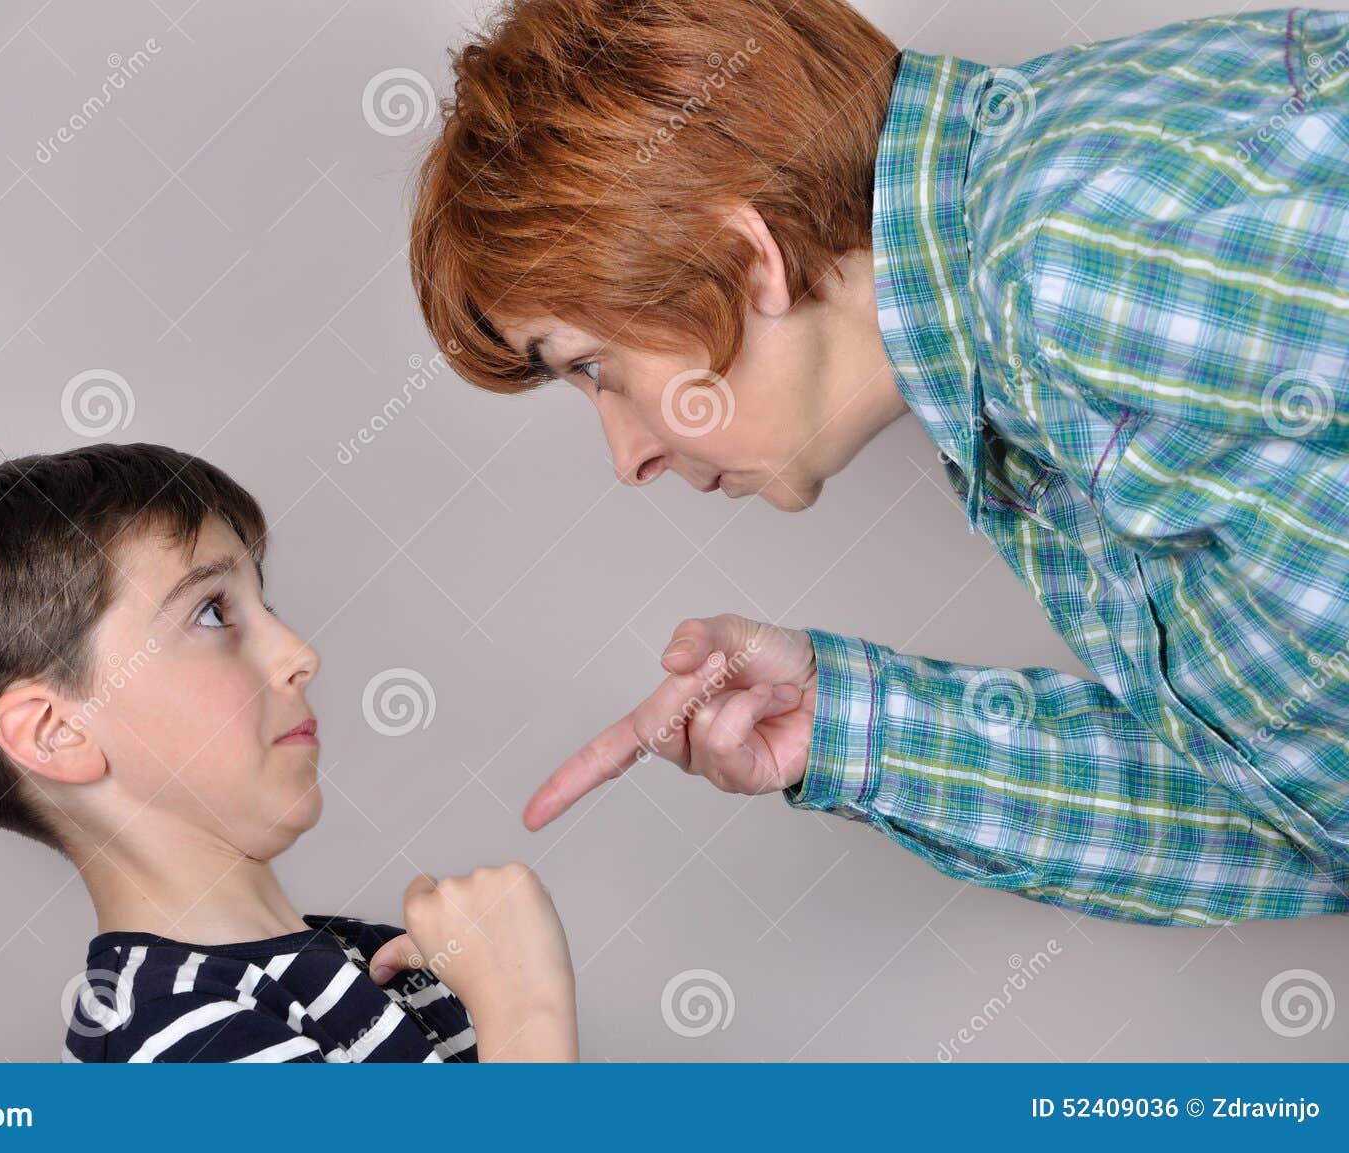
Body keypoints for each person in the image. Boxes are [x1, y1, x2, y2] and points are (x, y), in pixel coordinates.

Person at [409, 0, 1349, 925]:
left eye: (593, 369)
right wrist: (853, 728)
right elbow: (1315, 805)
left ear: (747, 260)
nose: (628, 457)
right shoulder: (1016, 338)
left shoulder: (1076, 260)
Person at [0, 442, 578, 1061]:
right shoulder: (178, 1043)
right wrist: (528, 1012)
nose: (299, 653)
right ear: (57, 733)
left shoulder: (382, 959)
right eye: (212, 611)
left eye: (267, 602)